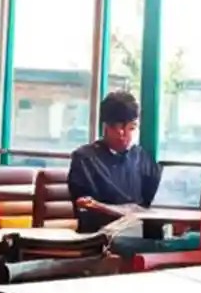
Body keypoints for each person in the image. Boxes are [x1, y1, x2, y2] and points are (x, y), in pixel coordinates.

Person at [68, 91, 161, 236]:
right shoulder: (85, 159)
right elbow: (85, 209)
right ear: (106, 126)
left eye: (131, 128)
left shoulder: (141, 157)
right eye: (119, 127)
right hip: (101, 235)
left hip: (139, 231)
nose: (124, 135)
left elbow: (155, 198)